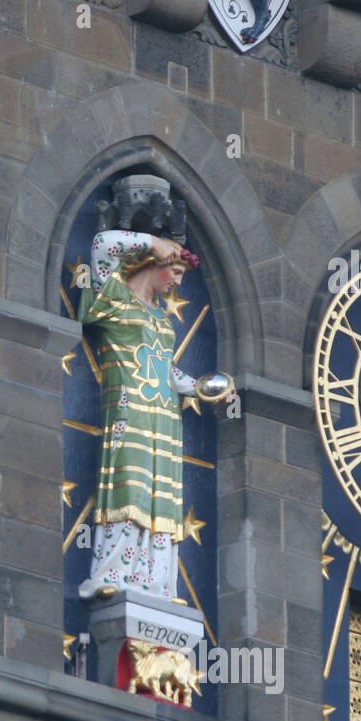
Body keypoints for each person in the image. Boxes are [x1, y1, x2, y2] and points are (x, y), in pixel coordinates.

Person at [77, 230, 229, 601]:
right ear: (153, 264)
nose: (178, 282)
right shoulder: (114, 299)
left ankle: (156, 581)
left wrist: (201, 387)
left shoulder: (162, 320)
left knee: (161, 495)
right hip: (130, 412)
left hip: (164, 419)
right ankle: (111, 571)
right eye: (174, 272)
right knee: (128, 487)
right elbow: (101, 245)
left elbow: (165, 370)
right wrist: (151, 241)